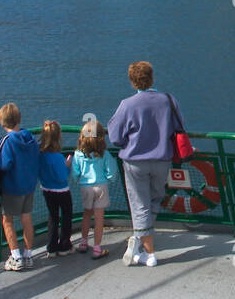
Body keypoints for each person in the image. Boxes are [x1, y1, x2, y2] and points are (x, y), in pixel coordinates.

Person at [106, 61, 183, 268]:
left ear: (132, 81)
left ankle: (148, 253)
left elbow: (114, 136)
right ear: (152, 77)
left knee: (139, 204)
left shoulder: (127, 104)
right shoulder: (169, 100)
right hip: (162, 160)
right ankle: (140, 240)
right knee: (156, 198)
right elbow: (178, 127)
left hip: (135, 162)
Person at [0, 103, 39, 271]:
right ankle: (28, 255)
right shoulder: (30, 138)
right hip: (29, 186)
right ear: (19, 119)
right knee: (26, 218)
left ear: (2, 122)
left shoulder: (7, 141)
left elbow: (4, 165)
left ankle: (16, 256)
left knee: (7, 220)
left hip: (12, 188)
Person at [71, 119, 118, 258]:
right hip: (101, 186)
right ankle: (97, 248)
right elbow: (111, 171)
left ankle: (83, 242)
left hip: (86, 187)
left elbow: (75, 172)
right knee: (99, 218)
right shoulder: (104, 153)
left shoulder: (78, 154)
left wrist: (78, 180)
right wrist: (109, 179)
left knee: (86, 214)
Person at [38, 121, 73, 257]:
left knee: (52, 217)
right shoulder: (58, 157)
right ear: (58, 137)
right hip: (62, 191)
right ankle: (64, 245)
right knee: (66, 216)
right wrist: (67, 165)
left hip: (47, 190)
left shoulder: (40, 155)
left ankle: (51, 247)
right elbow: (62, 176)